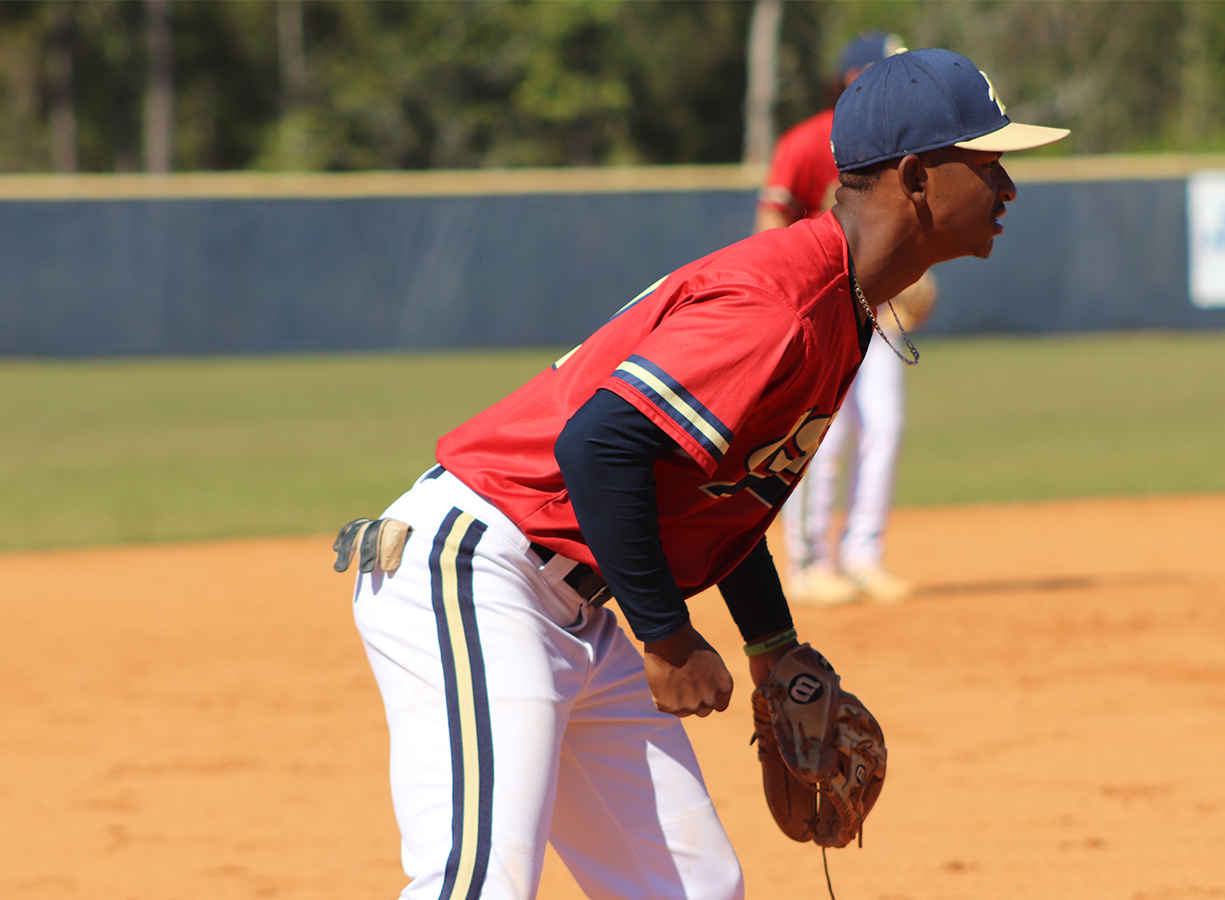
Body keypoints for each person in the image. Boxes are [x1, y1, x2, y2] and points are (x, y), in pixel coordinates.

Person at [346, 48, 1067, 900]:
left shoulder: (842, 306)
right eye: (988, 165)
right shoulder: (781, 302)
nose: (1009, 189)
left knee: (693, 887)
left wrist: (772, 645)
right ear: (916, 177)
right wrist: (666, 637)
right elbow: (597, 446)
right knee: (477, 885)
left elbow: (723, 494)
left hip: (576, 596)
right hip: (479, 570)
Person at [759, 32, 926, 607]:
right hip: (817, 311)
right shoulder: (807, 142)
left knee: (884, 425)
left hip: (875, 311)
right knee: (821, 440)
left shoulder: (903, 147)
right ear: (856, 78)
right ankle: (807, 565)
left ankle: (862, 556)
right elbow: (768, 228)